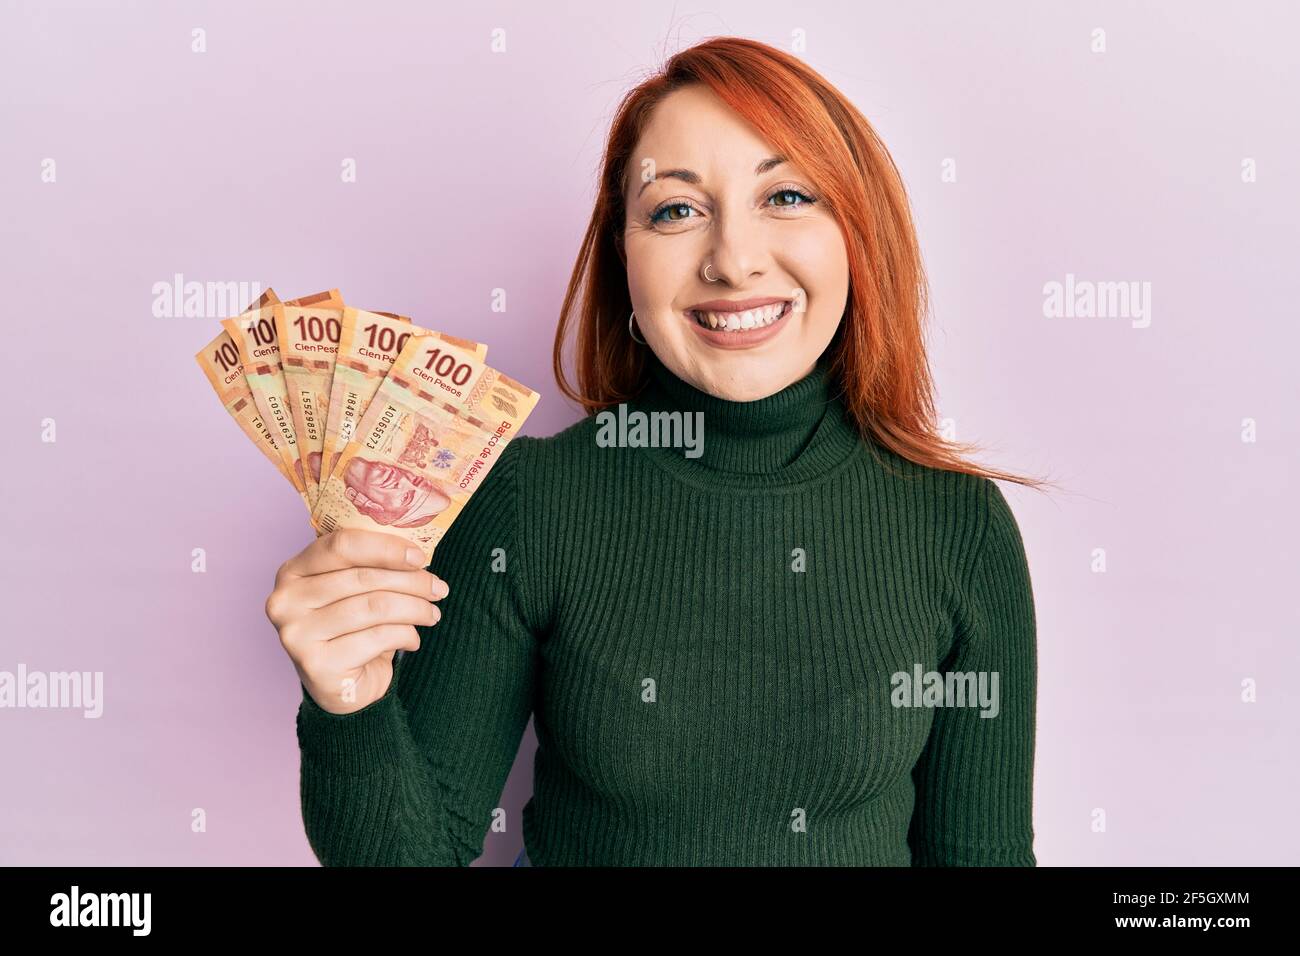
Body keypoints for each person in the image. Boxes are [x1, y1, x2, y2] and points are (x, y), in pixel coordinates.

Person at [264, 36, 1054, 867]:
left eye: (786, 195)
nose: (734, 260)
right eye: (675, 210)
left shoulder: (959, 525)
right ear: (624, 255)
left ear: (859, 231)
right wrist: (346, 700)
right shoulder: (528, 502)